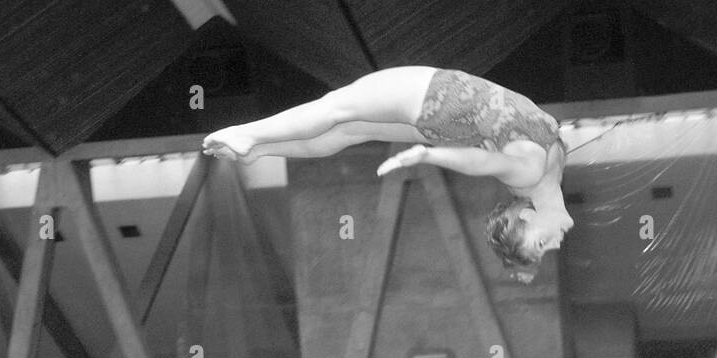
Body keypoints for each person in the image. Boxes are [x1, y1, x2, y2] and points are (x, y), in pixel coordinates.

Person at [202, 66, 574, 282]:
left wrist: (428, 156)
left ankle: (251, 137)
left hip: (437, 97)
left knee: (336, 108)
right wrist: (522, 262)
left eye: (542, 243)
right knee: (348, 132)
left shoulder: (531, 174)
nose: (555, 243)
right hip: (446, 122)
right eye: (544, 247)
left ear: (526, 215)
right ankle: (259, 150)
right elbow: (489, 159)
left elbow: (485, 164)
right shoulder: (546, 178)